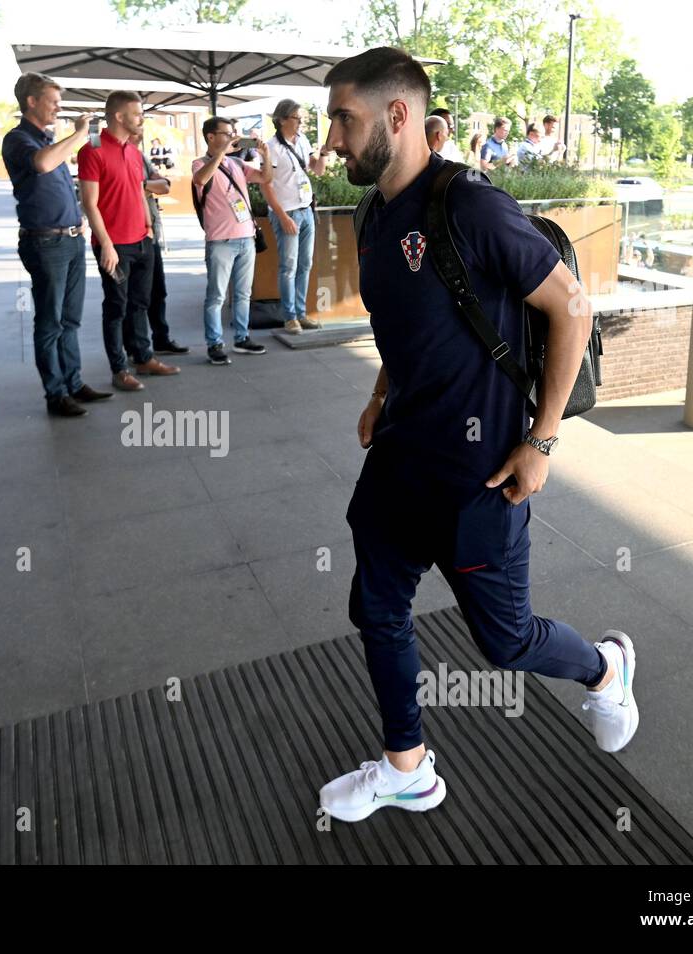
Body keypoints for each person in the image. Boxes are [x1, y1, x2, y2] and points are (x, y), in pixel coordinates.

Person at [318, 46, 637, 822]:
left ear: (399, 116)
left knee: (508, 642)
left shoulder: (469, 206)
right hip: (400, 459)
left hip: (481, 476)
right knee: (377, 608)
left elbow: (571, 308)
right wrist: (380, 391)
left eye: (343, 119)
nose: (331, 140)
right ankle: (408, 767)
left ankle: (603, 670)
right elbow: (408, 323)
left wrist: (544, 440)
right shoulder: (372, 213)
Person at [2, 72, 113, 418]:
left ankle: (74, 382)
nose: (58, 108)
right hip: (45, 243)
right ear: (32, 101)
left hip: (69, 238)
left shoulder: (47, 139)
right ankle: (56, 393)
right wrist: (79, 134)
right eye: (53, 101)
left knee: (71, 319)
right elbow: (44, 164)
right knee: (50, 321)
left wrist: (75, 217)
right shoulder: (19, 139)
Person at [77, 89, 180, 391]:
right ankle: (119, 369)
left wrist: (148, 226)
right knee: (116, 307)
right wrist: (105, 244)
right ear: (119, 116)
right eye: (137, 114)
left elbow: (138, 189)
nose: (142, 119)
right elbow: (89, 203)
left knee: (139, 303)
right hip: (115, 245)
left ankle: (143, 357)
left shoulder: (134, 152)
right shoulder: (92, 151)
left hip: (141, 240)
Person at [191, 117, 273, 365]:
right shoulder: (199, 163)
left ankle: (242, 337)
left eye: (233, 133)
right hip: (220, 241)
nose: (232, 137)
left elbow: (265, 178)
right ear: (211, 137)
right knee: (216, 296)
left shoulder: (237, 164)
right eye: (227, 133)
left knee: (243, 293)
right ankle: (214, 343)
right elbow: (201, 179)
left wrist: (265, 155)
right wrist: (221, 154)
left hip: (246, 238)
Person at [261, 99, 328, 335]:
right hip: (287, 212)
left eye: (301, 118)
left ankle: (300, 313)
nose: (301, 122)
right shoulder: (272, 147)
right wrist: (282, 217)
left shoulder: (303, 141)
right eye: (297, 118)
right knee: (288, 266)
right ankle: (290, 317)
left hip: (305, 209)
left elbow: (317, 170)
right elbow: (265, 186)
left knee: (305, 265)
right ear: (282, 120)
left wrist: (324, 154)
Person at [132, 130, 189, 358]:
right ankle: (136, 347)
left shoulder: (140, 156)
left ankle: (161, 339)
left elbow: (164, 185)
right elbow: (130, 187)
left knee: (158, 290)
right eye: (135, 123)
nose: (140, 131)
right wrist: (147, 184)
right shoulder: (112, 155)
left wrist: (144, 184)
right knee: (135, 296)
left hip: (151, 231)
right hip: (130, 233)